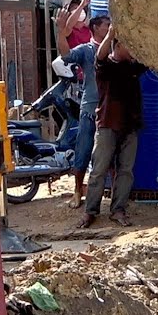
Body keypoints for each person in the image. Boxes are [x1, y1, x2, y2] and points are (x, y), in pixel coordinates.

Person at [79, 24, 147, 229]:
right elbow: (99, 56)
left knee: (125, 171)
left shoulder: (132, 67)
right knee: (99, 170)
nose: (132, 50)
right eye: (129, 45)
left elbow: (150, 59)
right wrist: (109, 35)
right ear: (117, 46)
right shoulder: (105, 66)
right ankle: (90, 211)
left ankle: (118, 209)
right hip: (108, 124)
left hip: (130, 126)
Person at [56, 14, 110, 208]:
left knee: (112, 151)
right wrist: (61, 32)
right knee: (84, 149)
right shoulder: (87, 50)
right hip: (90, 108)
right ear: (95, 27)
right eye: (106, 25)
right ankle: (78, 190)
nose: (109, 28)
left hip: (110, 107)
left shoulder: (114, 49)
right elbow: (66, 55)